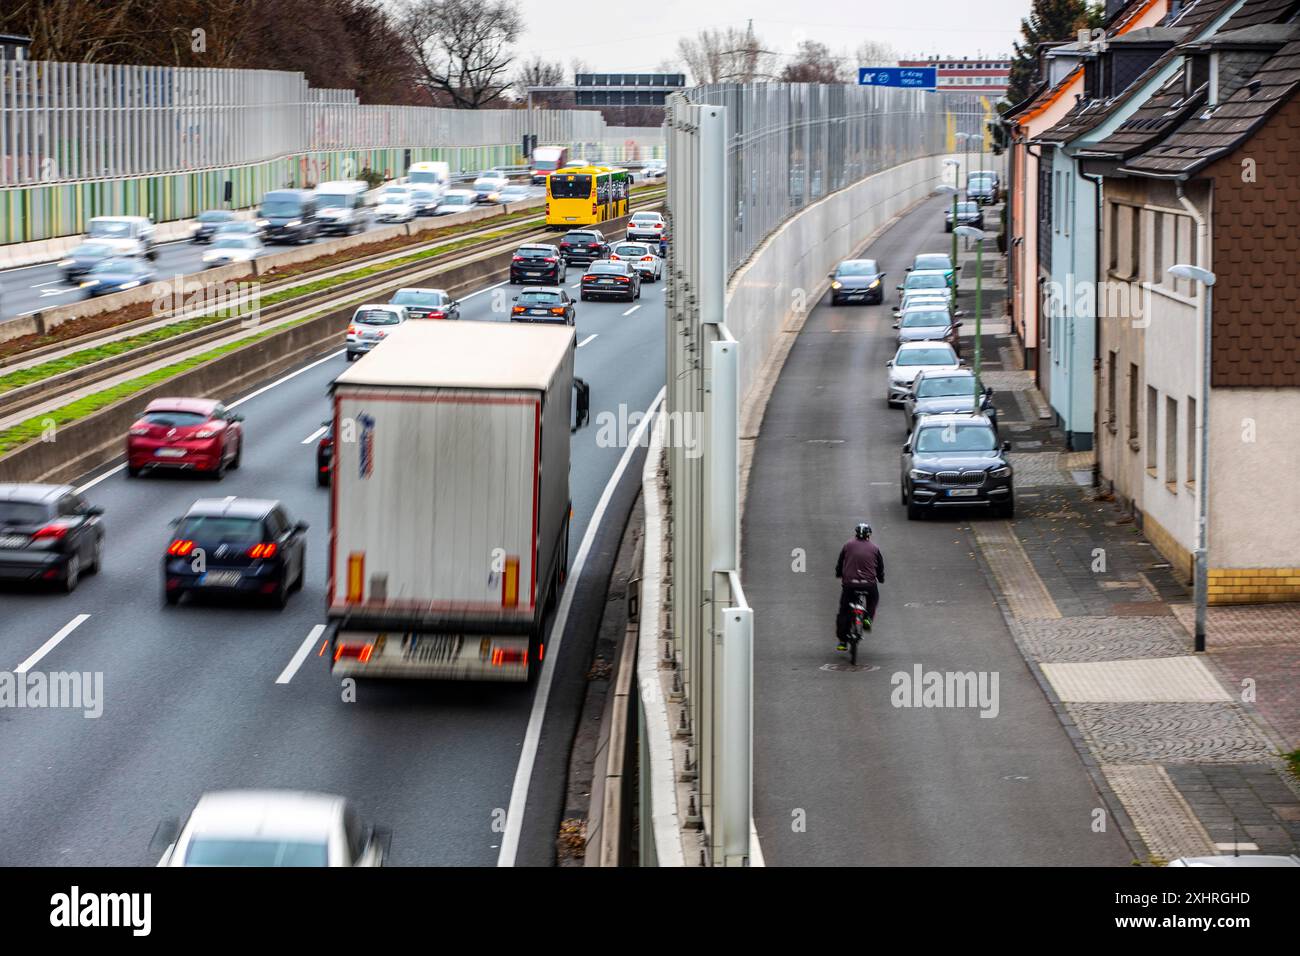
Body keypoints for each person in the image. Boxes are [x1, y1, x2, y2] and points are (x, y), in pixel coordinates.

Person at [834, 522, 884, 652]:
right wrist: (881, 578)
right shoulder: (875, 548)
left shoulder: (848, 545)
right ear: (869, 535)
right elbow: (880, 567)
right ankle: (867, 618)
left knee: (844, 611)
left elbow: (840, 563)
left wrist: (839, 573)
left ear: (856, 534)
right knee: (873, 599)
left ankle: (843, 641)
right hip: (869, 585)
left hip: (850, 584)